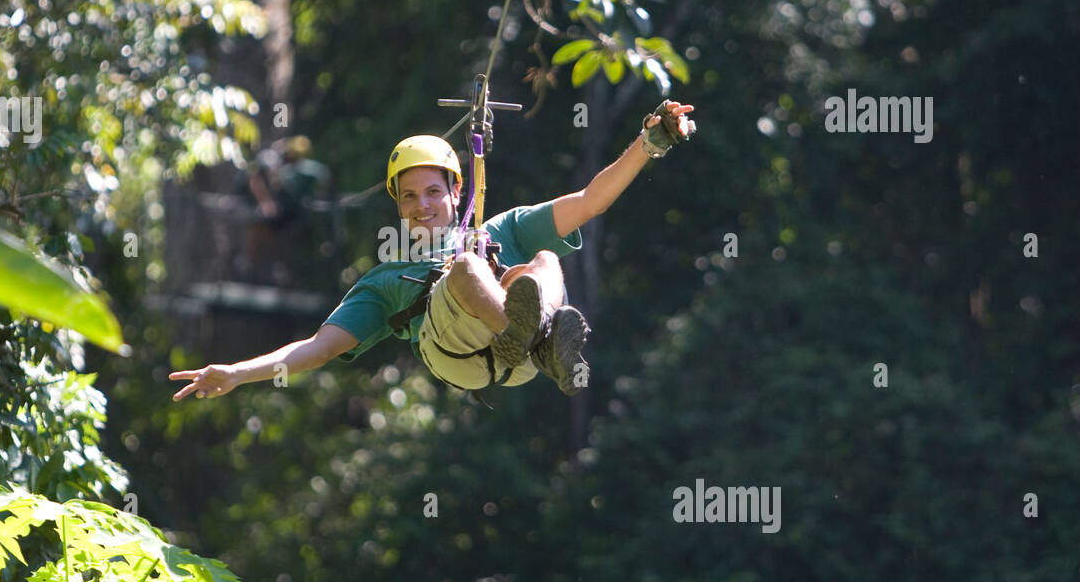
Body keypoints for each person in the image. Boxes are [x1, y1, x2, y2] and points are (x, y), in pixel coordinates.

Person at [170, 101, 696, 402]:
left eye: (432, 192)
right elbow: (318, 347)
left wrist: (650, 143)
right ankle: (528, 337)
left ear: (456, 193)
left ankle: (539, 342)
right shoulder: (386, 280)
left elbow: (589, 201)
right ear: (398, 205)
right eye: (409, 196)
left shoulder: (502, 228)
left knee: (546, 261)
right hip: (458, 356)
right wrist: (238, 372)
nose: (422, 205)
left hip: (524, 361)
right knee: (467, 265)